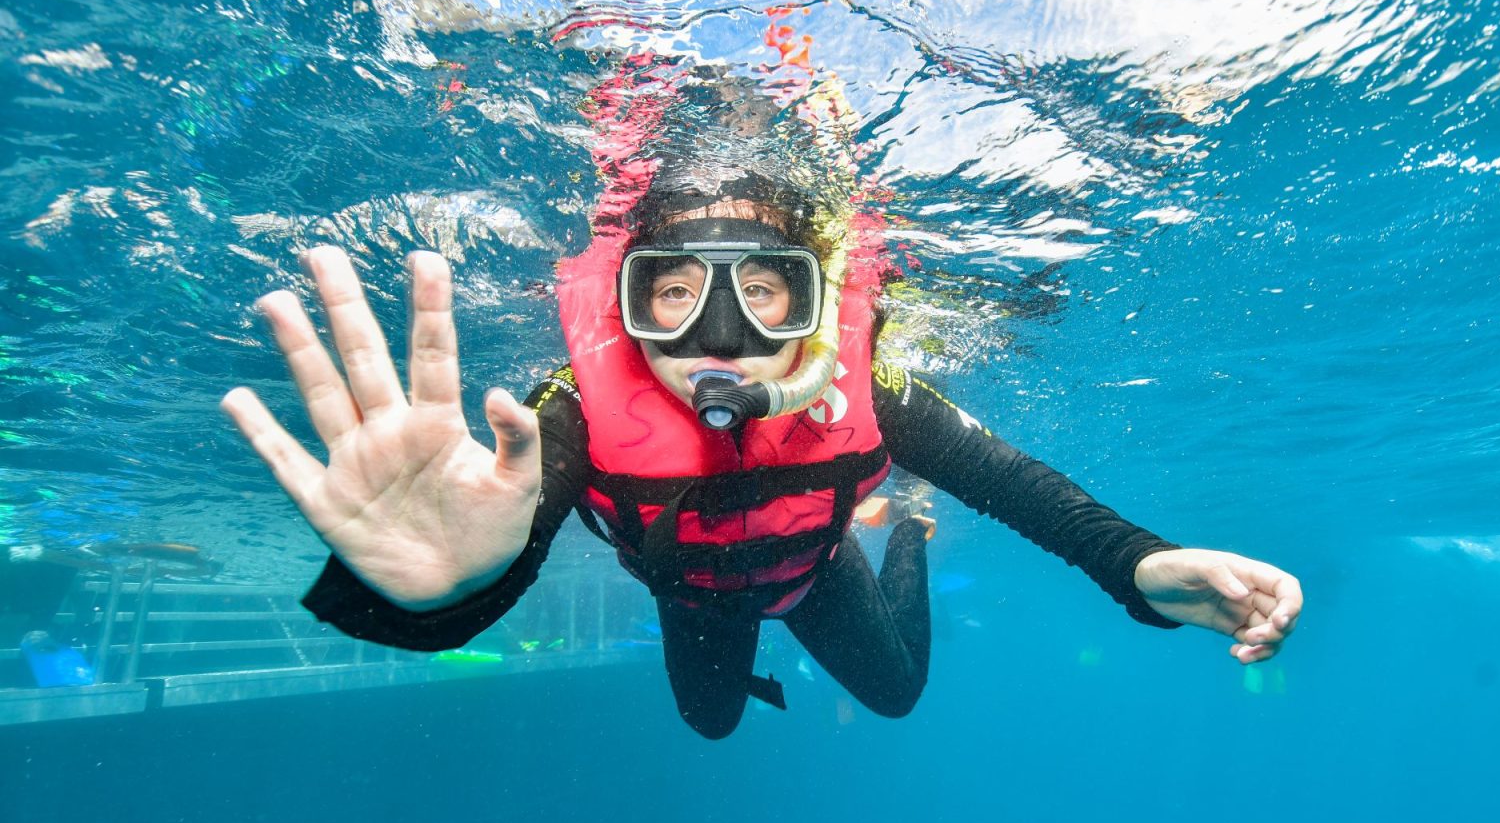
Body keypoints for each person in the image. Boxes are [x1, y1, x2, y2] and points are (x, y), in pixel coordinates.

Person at [221, 163, 1302, 739]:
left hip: (821, 570)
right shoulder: (572, 416)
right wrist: (441, 596)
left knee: (895, 695)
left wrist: (1138, 566)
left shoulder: (858, 389)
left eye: (765, 288)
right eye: (674, 293)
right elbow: (476, 552)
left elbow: (1024, 488)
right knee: (712, 724)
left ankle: (907, 534)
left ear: (813, 307)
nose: (720, 338)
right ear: (624, 307)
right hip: (693, 597)